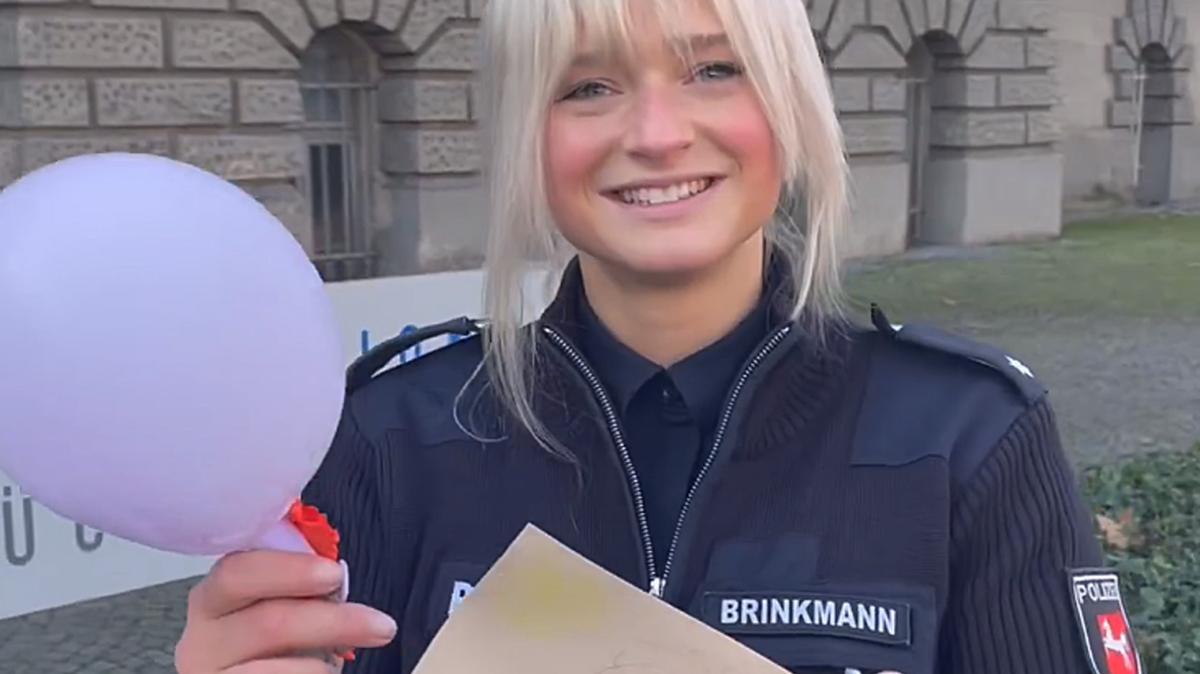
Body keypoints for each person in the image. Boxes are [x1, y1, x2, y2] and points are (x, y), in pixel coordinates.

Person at [174, 1, 1137, 673]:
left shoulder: (969, 436)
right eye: (587, 87)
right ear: (525, 137)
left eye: (715, 69)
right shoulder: (389, 438)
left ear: (790, 108)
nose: (658, 132)